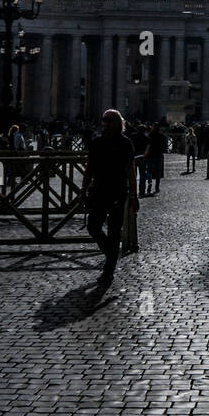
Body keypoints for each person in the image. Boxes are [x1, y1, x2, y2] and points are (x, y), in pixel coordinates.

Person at [81, 109, 138, 286]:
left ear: (118, 122)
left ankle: (108, 272)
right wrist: (83, 189)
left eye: (110, 120)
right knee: (92, 227)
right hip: (98, 191)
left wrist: (134, 194)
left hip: (118, 191)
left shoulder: (125, 143)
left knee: (114, 232)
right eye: (104, 119)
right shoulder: (96, 142)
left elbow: (130, 169)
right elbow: (89, 167)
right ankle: (111, 253)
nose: (106, 123)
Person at [143, 125, 167, 195]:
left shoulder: (150, 135)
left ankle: (150, 182)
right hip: (159, 155)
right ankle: (157, 187)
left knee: (149, 170)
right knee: (158, 172)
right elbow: (164, 147)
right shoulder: (162, 136)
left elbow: (146, 145)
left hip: (150, 155)